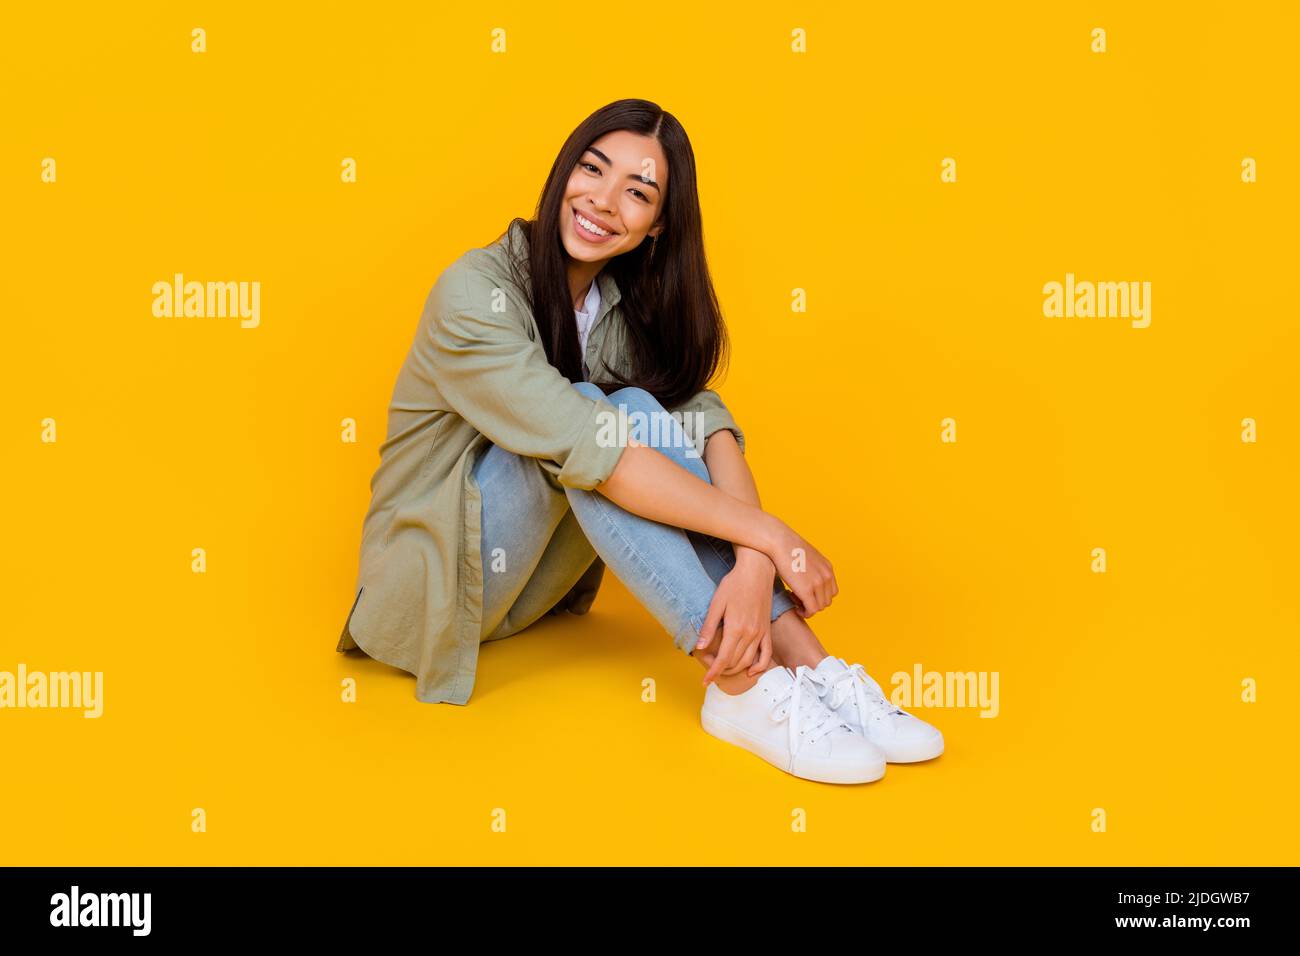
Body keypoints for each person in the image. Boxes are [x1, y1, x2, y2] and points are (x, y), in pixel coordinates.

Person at [337, 98, 943, 783]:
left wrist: (752, 562)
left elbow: (703, 418)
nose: (603, 201)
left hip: (522, 591)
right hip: (428, 596)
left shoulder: (613, 308)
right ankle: (741, 688)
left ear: (657, 227)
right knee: (600, 414)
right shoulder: (475, 293)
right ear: (563, 171)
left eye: (637, 192)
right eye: (592, 170)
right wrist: (774, 537)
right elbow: (595, 447)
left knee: (635, 406)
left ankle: (814, 670)